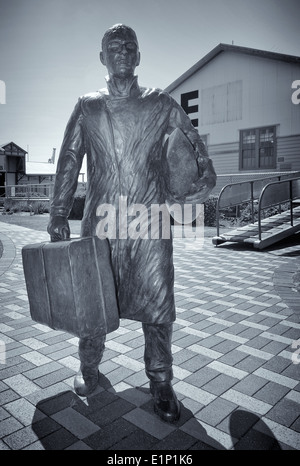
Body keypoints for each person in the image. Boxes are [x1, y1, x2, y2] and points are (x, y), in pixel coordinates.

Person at [47, 23, 216, 423]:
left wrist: (197, 183)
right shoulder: (88, 106)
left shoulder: (162, 104)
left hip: (150, 220)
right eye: (113, 46)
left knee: (158, 303)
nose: (122, 51)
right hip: (101, 223)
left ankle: (161, 380)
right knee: (92, 301)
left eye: (130, 46)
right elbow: (70, 159)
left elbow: (195, 152)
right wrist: (58, 212)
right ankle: (89, 369)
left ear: (138, 57)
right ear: (102, 57)